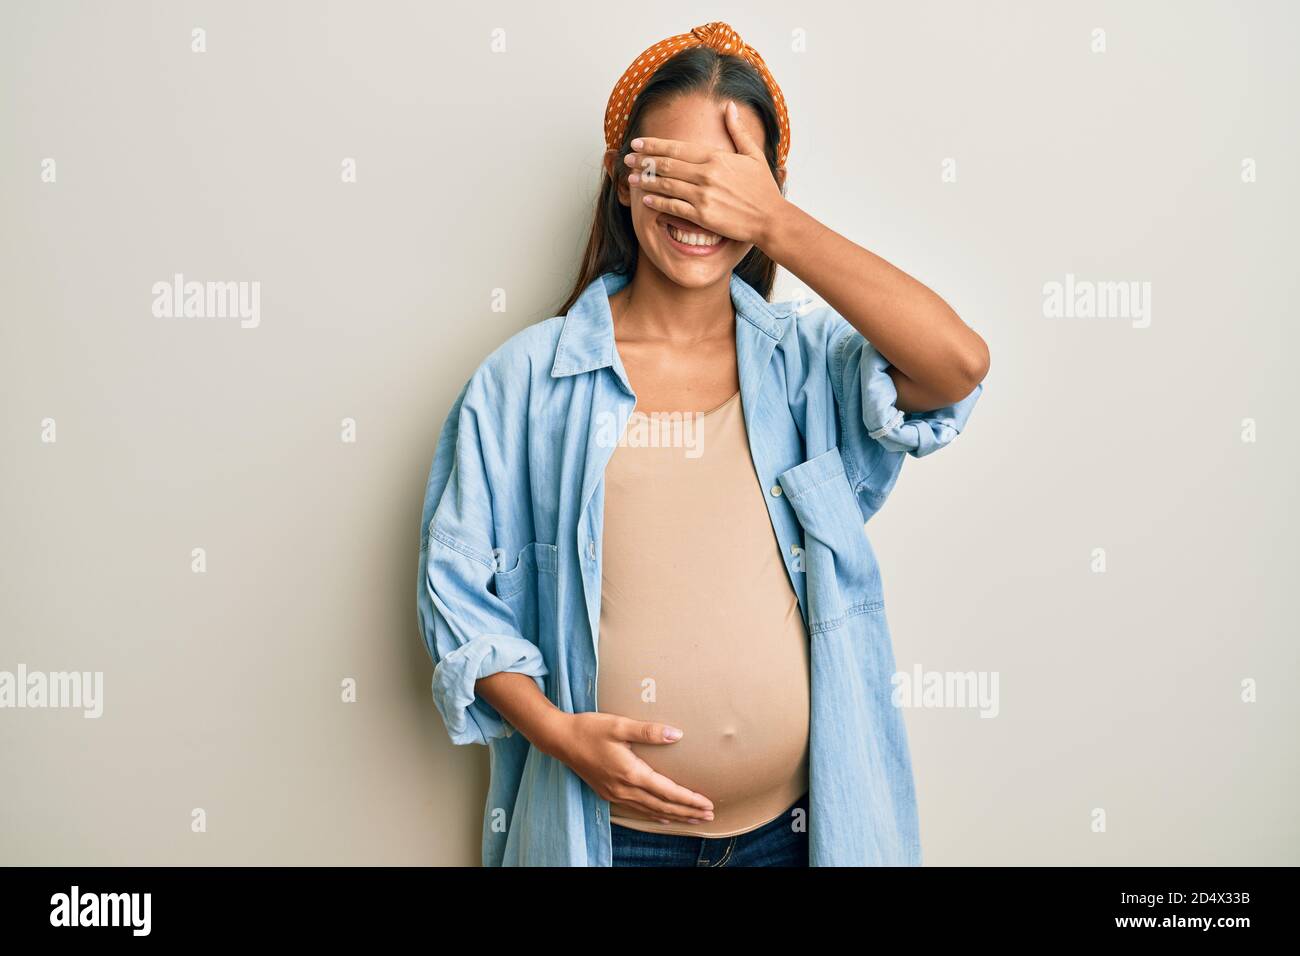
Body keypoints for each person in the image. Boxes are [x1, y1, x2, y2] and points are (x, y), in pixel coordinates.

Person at [416, 21, 988, 867]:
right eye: (671, 174)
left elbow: (958, 364)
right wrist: (560, 737)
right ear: (620, 180)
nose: (699, 206)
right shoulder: (525, 381)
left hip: (799, 837)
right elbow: (457, 597)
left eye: (730, 183)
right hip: (611, 839)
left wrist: (777, 223)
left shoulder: (807, 367)